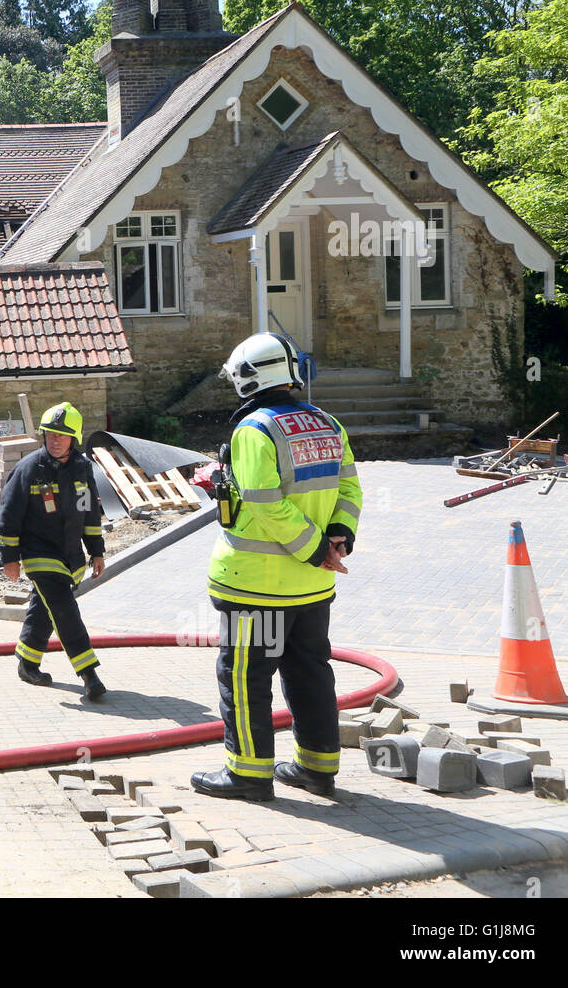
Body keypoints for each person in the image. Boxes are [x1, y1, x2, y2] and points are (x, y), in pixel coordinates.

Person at [190, 332, 361, 801]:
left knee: (245, 678)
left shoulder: (254, 430)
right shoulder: (327, 424)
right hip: (313, 587)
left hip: (255, 588)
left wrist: (311, 548)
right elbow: (349, 490)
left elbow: (266, 504)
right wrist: (336, 543)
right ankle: (317, 767)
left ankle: (248, 774)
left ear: (248, 378)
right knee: (310, 671)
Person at [0, 402, 108, 701]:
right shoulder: (29, 468)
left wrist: (96, 551)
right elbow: (8, 515)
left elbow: (88, 512)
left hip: (69, 554)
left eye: (61, 435)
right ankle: (89, 674)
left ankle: (28, 662)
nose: (54, 440)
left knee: (46, 607)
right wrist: (9, 558)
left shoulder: (83, 469)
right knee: (63, 609)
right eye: (49, 434)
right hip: (38, 551)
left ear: (74, 438)